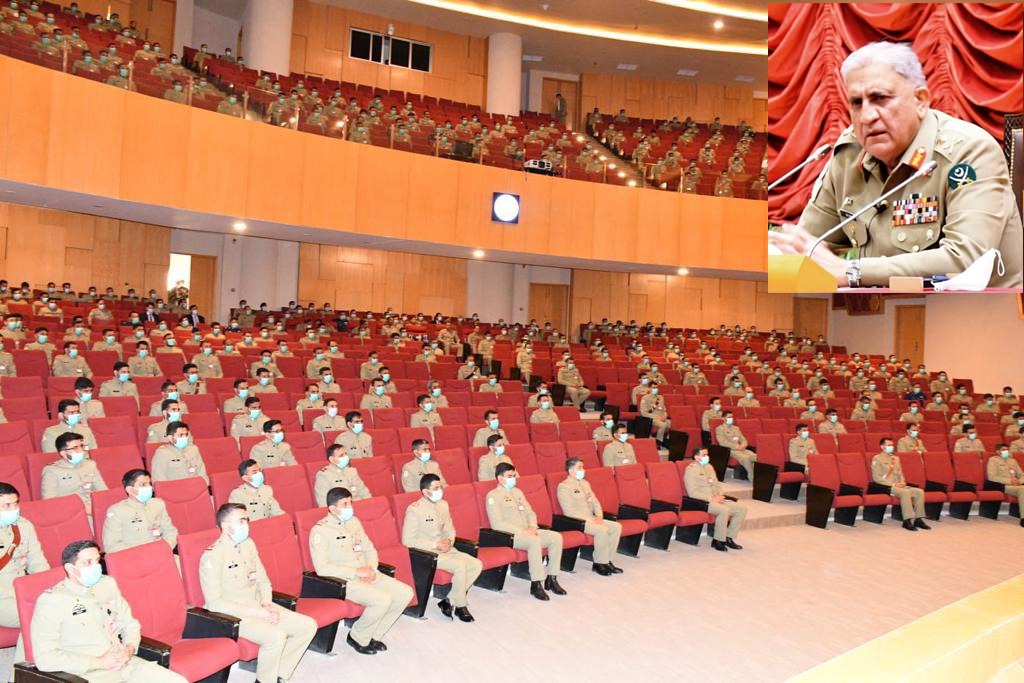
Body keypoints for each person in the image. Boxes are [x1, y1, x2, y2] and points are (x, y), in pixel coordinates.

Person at [769, 41, 1022, 288]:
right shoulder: (849, 154)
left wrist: (852, 271)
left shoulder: (969, 152)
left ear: (920, 101)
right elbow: (805, 246)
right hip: (884, 312)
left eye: (880, 98)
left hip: (985, 316)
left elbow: (965, 259)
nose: (867, 116)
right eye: (857, 103)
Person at [32, 540, 187, 683]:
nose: (96, 567)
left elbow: (130, 624)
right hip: (89, 674)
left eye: (97, 561)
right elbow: (46, 658)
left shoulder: (107, 585)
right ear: (70, 568)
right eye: (88, 562)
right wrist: (99, 661)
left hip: (126, 665)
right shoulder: (52, 601)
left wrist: (130, 648)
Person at [201, 504, 316, 681]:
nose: (247, 524)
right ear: (225, 526)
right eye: (241, 520)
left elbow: (263, 580)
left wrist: (267, 603)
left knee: (307, 626)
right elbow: (215, 603)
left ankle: (279, 675)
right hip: (234, 615)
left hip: (258, 605)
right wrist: (258, 613)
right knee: (275, 637)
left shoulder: (248, 544)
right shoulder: (213, 555)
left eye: (247, 519)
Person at [310, 487, 414, 654]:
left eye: (350, 502)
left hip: (368, 572)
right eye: (345, 504)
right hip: (345, 580)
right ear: (332, 508)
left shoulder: (354, 523)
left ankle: (374, 635)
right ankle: (358, 636)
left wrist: (371, 569)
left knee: (405, 593)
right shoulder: (320, 531)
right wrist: (357, 572)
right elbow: (322, 569)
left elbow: (369, 549)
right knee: (382, 599)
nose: (350, 507)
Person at [402, 474, 482, 621]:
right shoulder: (415, 510)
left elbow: (450, 529)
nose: (440, 490)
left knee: (476, 564)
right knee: (460, 566)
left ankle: (448, 600)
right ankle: (460, 606)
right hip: (428, 553)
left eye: (440, 487)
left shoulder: (443, 505)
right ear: (425, 491)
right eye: (436, 488)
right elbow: (408, 540)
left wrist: (449, 541)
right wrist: (435, 545)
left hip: (446, 549)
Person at [486, 464, 566, 600]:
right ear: (500, 479)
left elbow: (530, 512)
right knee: (534, 541)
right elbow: (497, 524)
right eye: (509, 476)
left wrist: (533, 527)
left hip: (529, 530)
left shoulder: (518, 492)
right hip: (511, 535)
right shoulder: (493, 496)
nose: (513, 479)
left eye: (514, 476)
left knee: (556, 537)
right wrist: (523, 531)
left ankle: (552, 579)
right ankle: (536, 584)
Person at [0, 481, 48, 680]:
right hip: (2, 598)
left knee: (54, 607)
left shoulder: (24, 526)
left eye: (16, 503)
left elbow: (38, 562)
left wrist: (49, 588)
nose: (14, 509)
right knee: (36, 618)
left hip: (22, 592)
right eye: (6, 506)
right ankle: (19, 678)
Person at [557, 458, 623, 575]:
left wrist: (598, 516)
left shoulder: (585, 483)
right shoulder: (564, 487)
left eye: (583, 467)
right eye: (579, 468)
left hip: (592, 519)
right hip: (578, 521)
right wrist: (589, 520)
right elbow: (569, 512)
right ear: (571, 470)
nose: (583, 470)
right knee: (602, 530)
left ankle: (607, 560)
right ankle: (599, 563)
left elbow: (595, 502)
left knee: (616, 527)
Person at [684, 447, 748, 551]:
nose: (707, 457)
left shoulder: (709, 467)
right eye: (704, 455)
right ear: (696, 457)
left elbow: (716, 484)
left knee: (741, 509)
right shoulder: (691, 470)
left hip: (717, 499)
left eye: (707, 454)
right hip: (703, 501)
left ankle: (728, 537)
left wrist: (721, 495)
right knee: (724, 510)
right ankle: (718, 540)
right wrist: (711, 498)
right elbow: (692, 493)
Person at [102, 469, 178, 553]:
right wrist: (143, 553)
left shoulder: (158, 504)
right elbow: (111, 546)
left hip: (162, 553)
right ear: (130, 490)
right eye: (143, 485)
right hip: (135, 558)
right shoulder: (117, 511)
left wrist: (165, 548)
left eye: (149, 484)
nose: (149, 487)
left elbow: (171, 531)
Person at [41, 433, 107, 518]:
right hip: (71, 514)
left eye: (81, 446)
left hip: (94, 508)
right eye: (75, 448)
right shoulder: (52, 470)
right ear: (63, 453)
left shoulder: (90, 464)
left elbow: (103, 491)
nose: (81, 450)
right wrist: (83, 509)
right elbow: (50, 502)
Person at [872, 437, 930, 531]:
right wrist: (893, 485)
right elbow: (876, 478)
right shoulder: (877, 459)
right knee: (905, 493)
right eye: (889, 445)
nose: (891, 447)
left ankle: (918, 519)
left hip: (899, 485)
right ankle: (907, 520)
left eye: (892, 445)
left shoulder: (896, 458)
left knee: (919, 492)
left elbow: (900, 473)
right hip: (887, 486)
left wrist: (903, 482)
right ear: (882, 447)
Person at [987, 445, 1024, 527]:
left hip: (1017, 485)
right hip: (1003, 485)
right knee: (1023, 490)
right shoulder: (993, 460)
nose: (1006, 451)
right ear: (997, 451)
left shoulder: (1013, 461)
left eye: (1007, 450)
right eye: (1003, 449)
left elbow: (1022, 475)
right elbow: (992, 477)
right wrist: (1010, 481)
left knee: (1022, 488)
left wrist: (1019, 481)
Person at [714, 411, 756, 479]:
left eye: (732, 417)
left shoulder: (736, 428)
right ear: (723, 418)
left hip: (742, 449)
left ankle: (760, 476)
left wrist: (743, 445)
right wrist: (737, 447)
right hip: (731, 450)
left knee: (755, 457)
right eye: (729, 417)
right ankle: (752, 477)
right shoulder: (720, 429)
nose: (731, 418)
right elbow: (723, 443)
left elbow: (743, 439)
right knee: (746, 458)